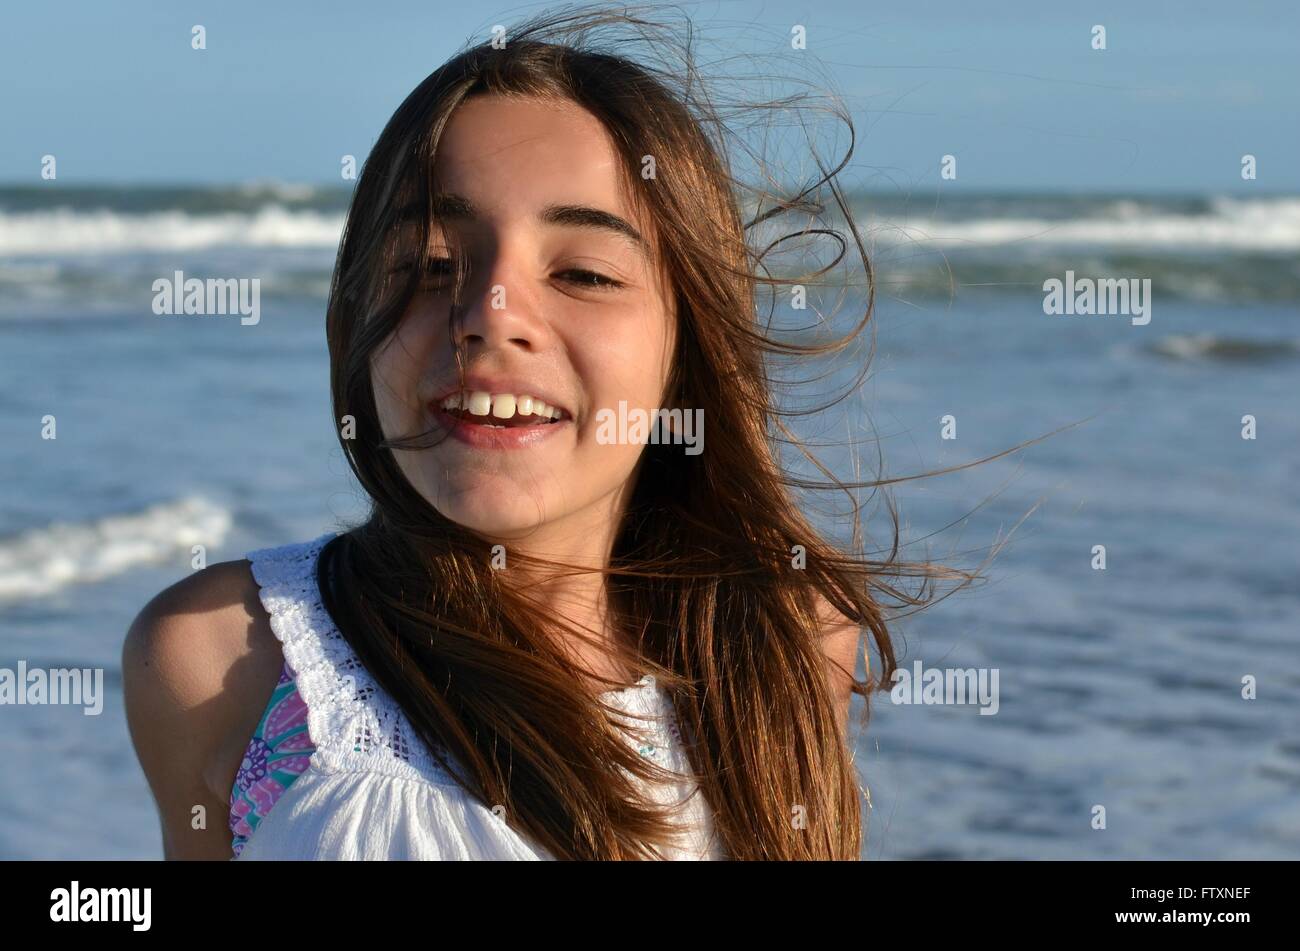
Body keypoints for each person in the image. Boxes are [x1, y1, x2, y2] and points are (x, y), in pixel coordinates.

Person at [123, 7, 917, 861]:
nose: (491, 319)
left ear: (687, 348)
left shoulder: (782, 642)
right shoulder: (227, 659)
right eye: (431, 266)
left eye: (583, 272)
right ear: (356, 319)